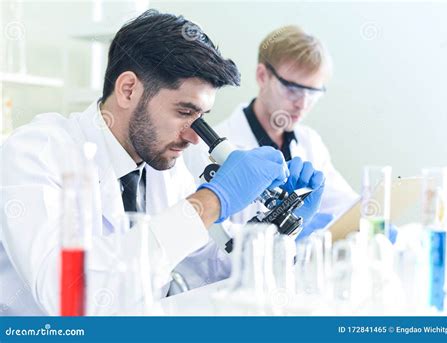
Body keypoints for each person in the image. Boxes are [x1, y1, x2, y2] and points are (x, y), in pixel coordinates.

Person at [0, 11, 324, 315]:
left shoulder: (161, 166)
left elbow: (207, 270)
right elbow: (72, 299)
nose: (195, 136)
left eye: (201, 118)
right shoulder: (36, 153)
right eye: (184, 112)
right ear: (128, 89)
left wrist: (276, 231)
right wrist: (211, 201)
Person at [184, 25, 359, 240]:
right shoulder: (201, 149)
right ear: (262, 76)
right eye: (292, 88)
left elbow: (349, 208)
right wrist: (277, 232)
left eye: (312, 93)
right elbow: (203, 252)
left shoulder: (309, 142)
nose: (302, 104)